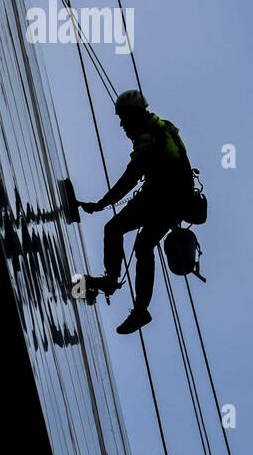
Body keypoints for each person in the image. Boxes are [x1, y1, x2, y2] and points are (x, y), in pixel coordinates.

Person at [78, 90, 196, 334]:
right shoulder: (164, 127)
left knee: (117, 231)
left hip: (163, 198)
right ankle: (139, 308)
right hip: (173, 199)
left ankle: (114, 283)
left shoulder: (149, 139)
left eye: (123, 117)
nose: (121, 124)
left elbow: (130, 178)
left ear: (134, 115)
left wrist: (101, 203)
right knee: (143, 246)